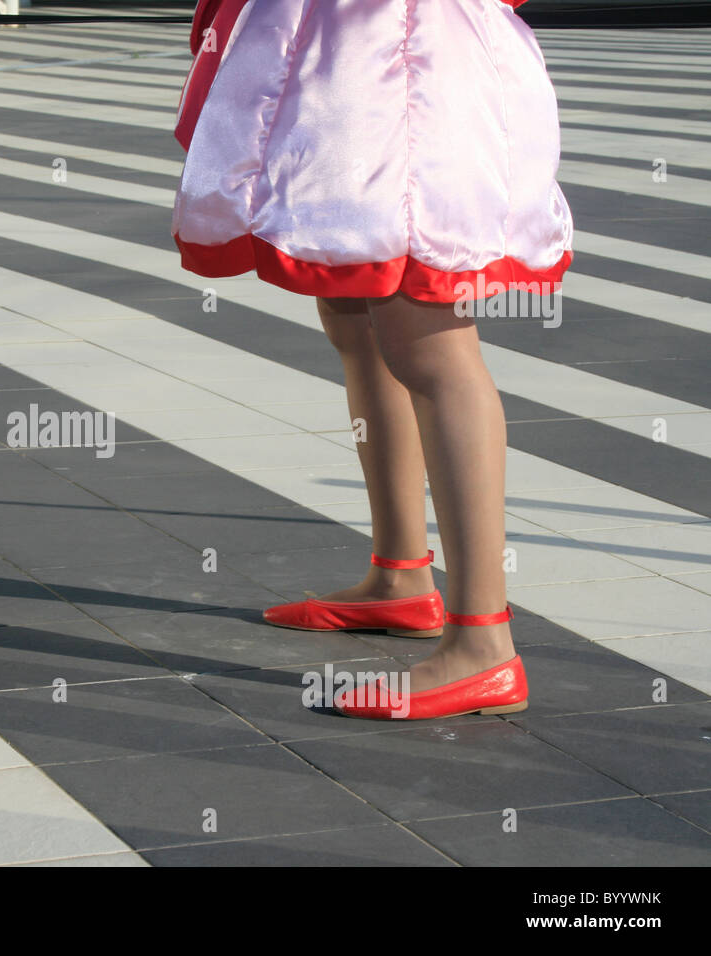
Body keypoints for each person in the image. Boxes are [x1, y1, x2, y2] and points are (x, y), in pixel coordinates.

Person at [172, 0, 572, 719]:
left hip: (405, 67)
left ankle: (485, 643)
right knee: (356, 317)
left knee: (428, 338)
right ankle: (401, 576)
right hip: (342, 56)